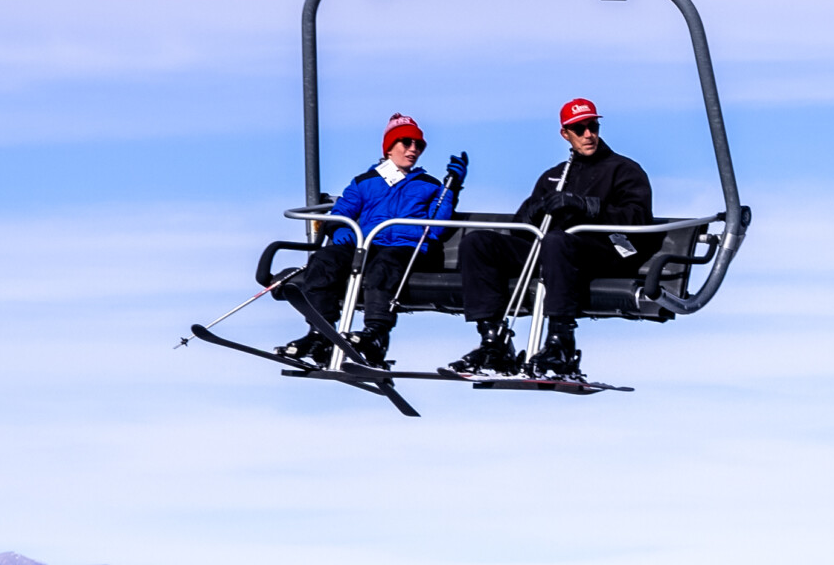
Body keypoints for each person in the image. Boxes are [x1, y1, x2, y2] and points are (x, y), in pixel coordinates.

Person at [449, 96, 652, 377]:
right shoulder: (555, 176)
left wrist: (588, 206)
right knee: (478, 242)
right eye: (579, 129)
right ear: (565, 134)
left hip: (605, 251)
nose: (588, 135)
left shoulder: (623, 170)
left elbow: (637, 220)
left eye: (592, 126)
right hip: (554, 253)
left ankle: (561, 344)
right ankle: (493, 341)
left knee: (557, 241)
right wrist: (534, 210)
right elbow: (520, 230)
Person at [275, 114, 464, 366]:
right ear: (389, 147)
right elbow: (342, 212)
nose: (413, 149)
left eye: (418, 145)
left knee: (383, 266)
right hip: (366, 245)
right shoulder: (366, 182)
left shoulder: (429, 185)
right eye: (406, 143)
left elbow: (437, 225)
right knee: (324, 260)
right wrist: (343, 232)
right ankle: (321, 331)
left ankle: (375, 332)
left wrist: (451, 188)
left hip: (406, 248)